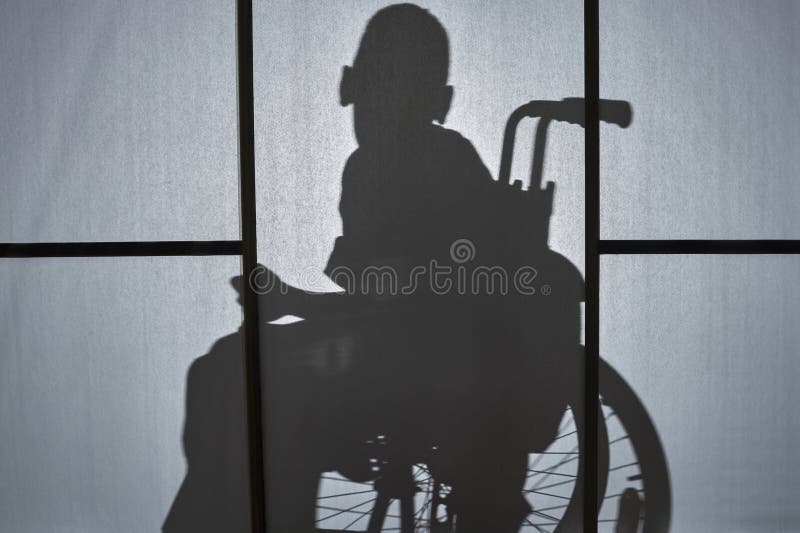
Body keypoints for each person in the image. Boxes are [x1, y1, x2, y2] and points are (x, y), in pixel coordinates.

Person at [264, 4, 581, 531]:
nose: (377, 109)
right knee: (232, 368)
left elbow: (410, 305)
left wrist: (298, 302)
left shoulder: (431, 166)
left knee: (244, 376)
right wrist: (296, 301)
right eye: (376, 88)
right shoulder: (373, 169)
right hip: (406, 351)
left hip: (428, 371)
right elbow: (386, 300)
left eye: (395, 91)